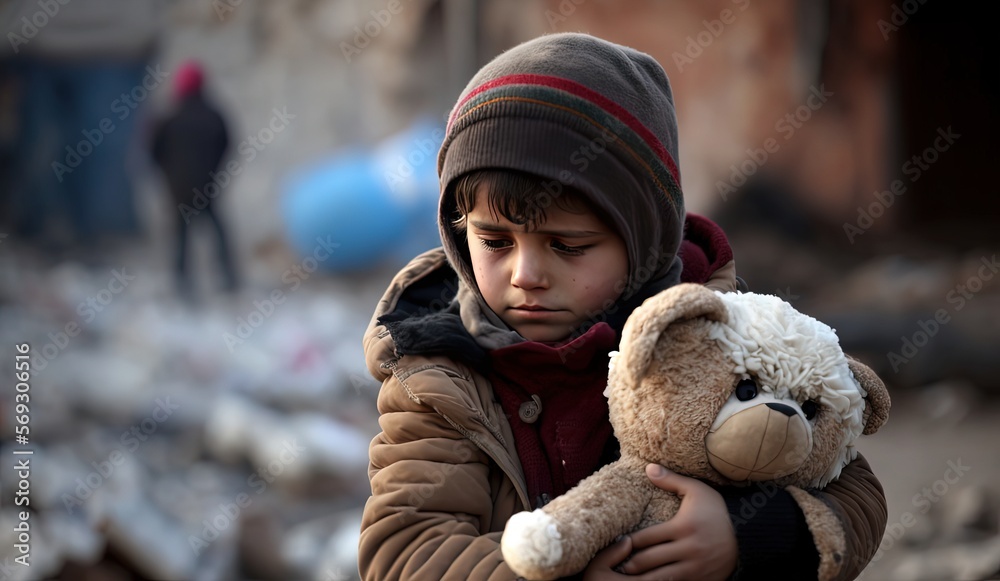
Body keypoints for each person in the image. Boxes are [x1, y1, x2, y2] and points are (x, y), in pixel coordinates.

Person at [360, 33, 886, 580]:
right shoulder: (441, 374)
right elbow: (405, 549)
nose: (525, 276)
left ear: (643, 242)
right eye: (494, 241)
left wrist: (745, 536)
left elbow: (856, 494)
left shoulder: (718, 337)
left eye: (567, 246)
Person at [152, 60, 238, 300]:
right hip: (207, 185)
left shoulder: (168, 117)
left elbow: (153, 151)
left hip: (178, 187)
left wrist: (168, 175)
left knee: (181, 235)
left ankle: (181, 282)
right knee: (218, 231)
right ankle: (229, 278)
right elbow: (228, 146)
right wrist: (215, 173)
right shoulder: (214, 115)